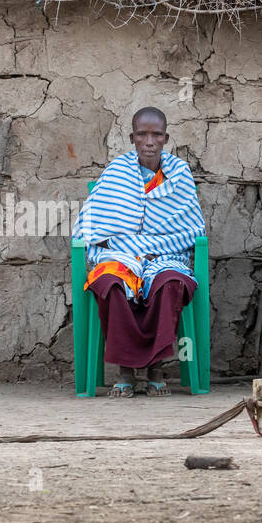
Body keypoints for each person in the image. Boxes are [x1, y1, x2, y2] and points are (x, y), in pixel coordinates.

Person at [74, 107, 205, 397]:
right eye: (142, 134)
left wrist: (151, 252)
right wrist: (130, 252)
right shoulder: (117, 172)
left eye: (156, 135)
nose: (149, 141)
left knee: (170, 283)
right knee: (111, 285)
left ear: (165, 138)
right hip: (121, 257)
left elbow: (192, 229)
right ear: (132, 137)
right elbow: (91, 225)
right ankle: (126, 372)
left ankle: (156, 369)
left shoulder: (179, 174)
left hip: (166, 257)